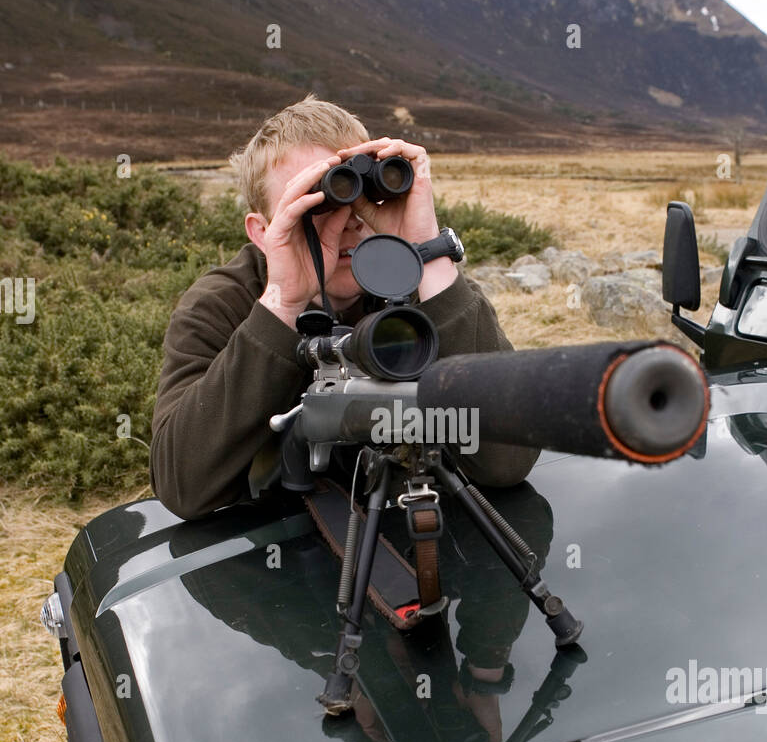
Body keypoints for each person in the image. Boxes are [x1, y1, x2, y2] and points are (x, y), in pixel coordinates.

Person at [150, 95, 538, 520]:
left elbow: (508, 460)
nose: (348, 222)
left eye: (360, 195)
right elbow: (181, 486)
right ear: (262, 232)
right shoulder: (223, 305)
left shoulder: (420, 291)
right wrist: (281, 305)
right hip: (277, 550)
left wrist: (427, 251)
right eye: (318, 205)